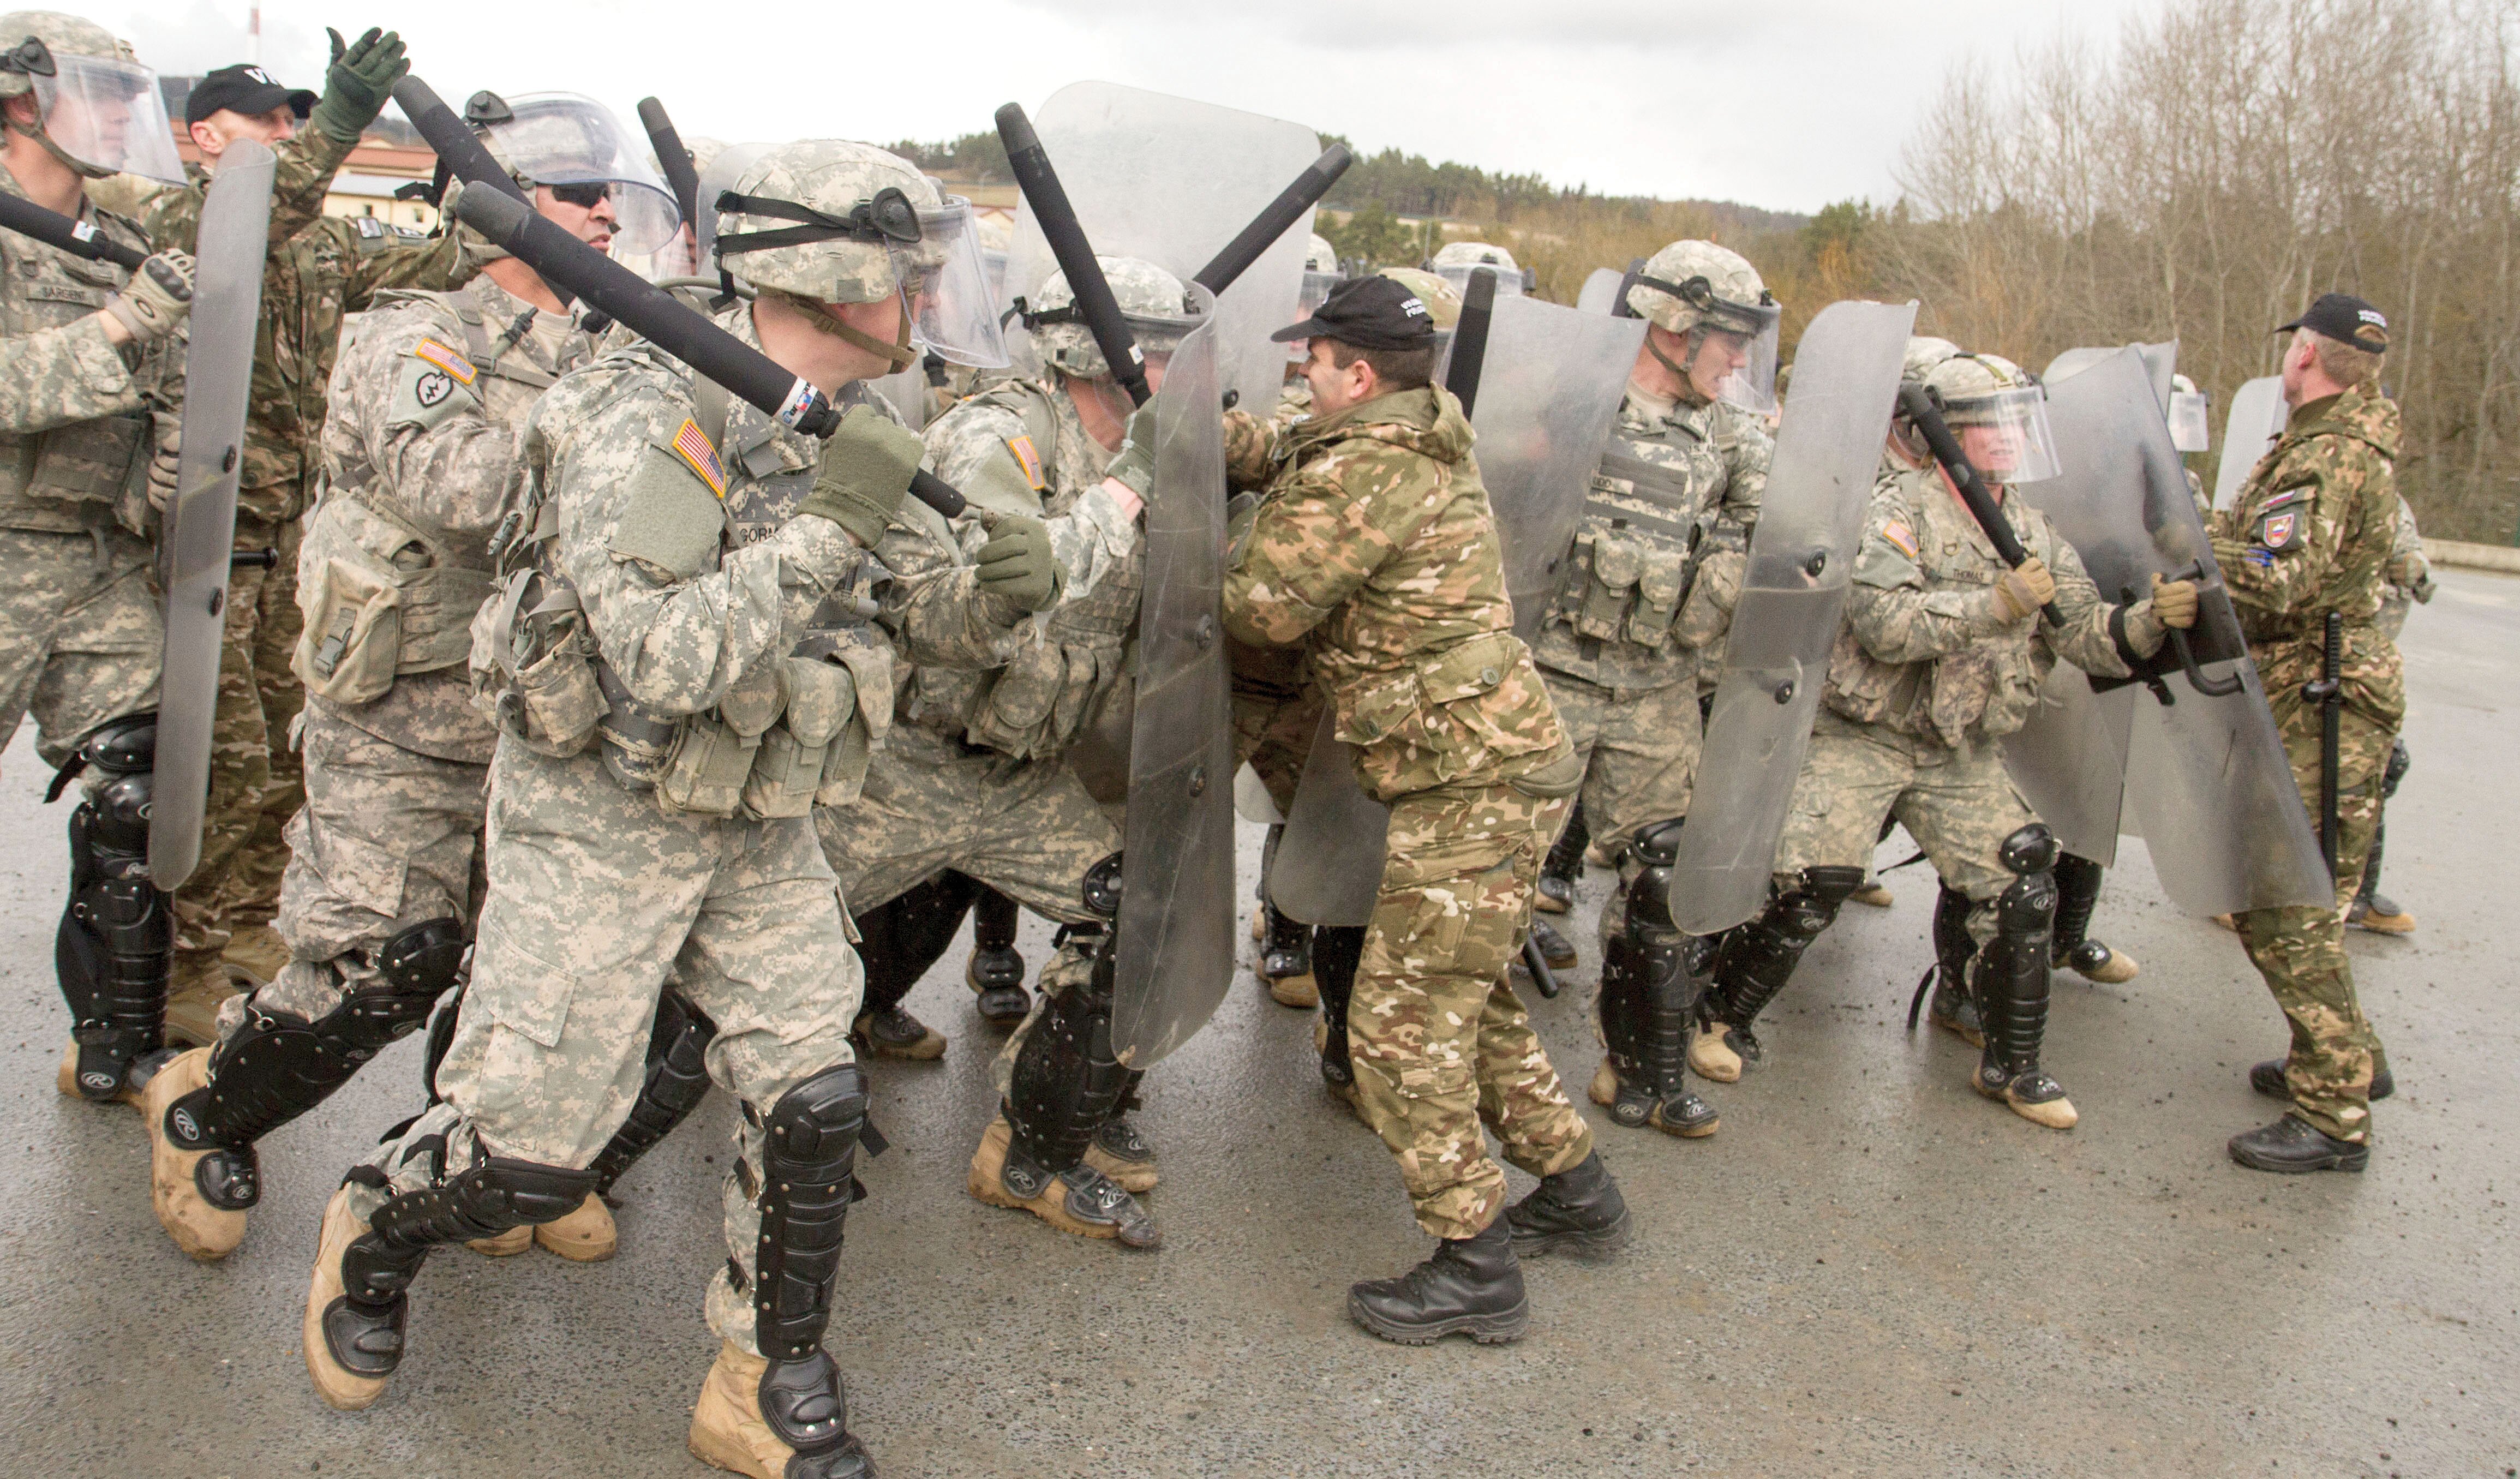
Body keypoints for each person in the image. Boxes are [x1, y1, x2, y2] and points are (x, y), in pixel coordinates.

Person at [298, 143, 1037, 1479]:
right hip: (601, 810)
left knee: (808, 1093)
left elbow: (927, 612)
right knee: (529, 1155)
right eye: (909, 273)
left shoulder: (861, 404)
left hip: (755, 809)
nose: (928, 298)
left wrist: (1000, 586)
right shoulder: (648, 407)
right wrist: (831, 525)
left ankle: (762, 1376)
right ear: (830, 273)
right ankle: (375, 1220)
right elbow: (664, 656)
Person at [139, 92, 660, 1265]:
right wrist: (611, 415)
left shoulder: (620, 351)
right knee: (382, 962)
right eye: (573, 192)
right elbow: (466, 494)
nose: (601, 212)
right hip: (401, 713)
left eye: (606, 193)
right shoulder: (416, 333)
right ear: (496, 215)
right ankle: (205, 1106)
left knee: (522, 966)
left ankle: (462, 1157)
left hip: (546, 720)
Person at [1224, 274, 1623, 1345]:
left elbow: (1259, 603)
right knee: (1473, 999)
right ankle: (1578, 1190)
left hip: (1467, 784)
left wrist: (1193, 532)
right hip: (1489, 763)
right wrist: (1235, 441)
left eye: (1310, 363)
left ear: (1354, 375)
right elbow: (1298, 453)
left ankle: (1472, 1262)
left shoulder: (1372, 467)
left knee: (1400, 1027)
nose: (1299, 378)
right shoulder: (1410, 430)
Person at [1694, 350, 2200, 1129]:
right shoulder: (1896, 510)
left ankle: (2011, 1061)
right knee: (1814, 880)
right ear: (1951, 436)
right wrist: (1993, 605)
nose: (2010, 442)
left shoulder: (2030, 531)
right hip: (1865, 732)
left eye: (2017, 427)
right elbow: (1885, 626)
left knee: (2026, 880)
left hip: (1956, 750)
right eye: (1993, 428)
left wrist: (2144, 625)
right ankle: (1718, 1014)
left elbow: (2084, 639)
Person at [818, 255, 1178, 1246]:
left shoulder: (1139, 454)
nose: (1176, 375)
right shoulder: (999, 434)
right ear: (1090, 351)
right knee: (728, 953)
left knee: (1141, 924)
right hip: (906, 764)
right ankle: (554, 1157)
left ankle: (1033, 1148)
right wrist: (1130, 495)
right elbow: (988, 600)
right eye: (1158, 350)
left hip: (1020, 778)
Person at [141, 31, 448, 1042]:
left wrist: (507, 202)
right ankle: (170, 966)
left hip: (288, 540)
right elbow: (253, 217)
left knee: (279, 756)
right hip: (200, 544)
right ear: (202, 137)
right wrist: (344, 126)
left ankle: (240, 930)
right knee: (208, 765)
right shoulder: (178, 218)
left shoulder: (314, 241)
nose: (287, 136)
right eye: (268, 122)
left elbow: (426, 262)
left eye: (295, 121)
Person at [1532, 240, 1779, 1141]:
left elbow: (1768, 515)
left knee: (1664, 875)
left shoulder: (1729, 435)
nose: (1740, 358)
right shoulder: (1571, 405)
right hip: (1548, 675)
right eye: (1728, 336)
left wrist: (1724, 555)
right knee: (1483, 874)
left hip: (1655, 689)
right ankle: (1394, 1050)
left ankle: (1637, 1065)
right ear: (1674, 324)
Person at [0, 10, 193, 1105]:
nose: (125, 117)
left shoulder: (120, 249)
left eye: (132, 98)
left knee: (137, 794)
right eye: (103, 93)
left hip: (98, 561)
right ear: (23, 98)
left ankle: (117, 1039)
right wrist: (119, 330)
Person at [2215, 293, 2405, 1173]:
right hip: (2334, 682)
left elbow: (2272, 584)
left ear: (2304, 355)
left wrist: (2187, 551)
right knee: (2312, 888)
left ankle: (2331, 1111)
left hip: (2319, 689)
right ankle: (2342, 1056)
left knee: (2280, 898)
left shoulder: (2323, 453)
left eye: (2292, 344)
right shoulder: (2348, 438)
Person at [2349, 494, 2431, 935]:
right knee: (2294, 774)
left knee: (2381, 767)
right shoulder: (2327, 484)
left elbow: (2420, 573)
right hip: (2317, 654)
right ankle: (2247, 888)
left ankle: (2358, 893)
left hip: (2370, 663)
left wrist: (2415, 567)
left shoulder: (2392, 500)